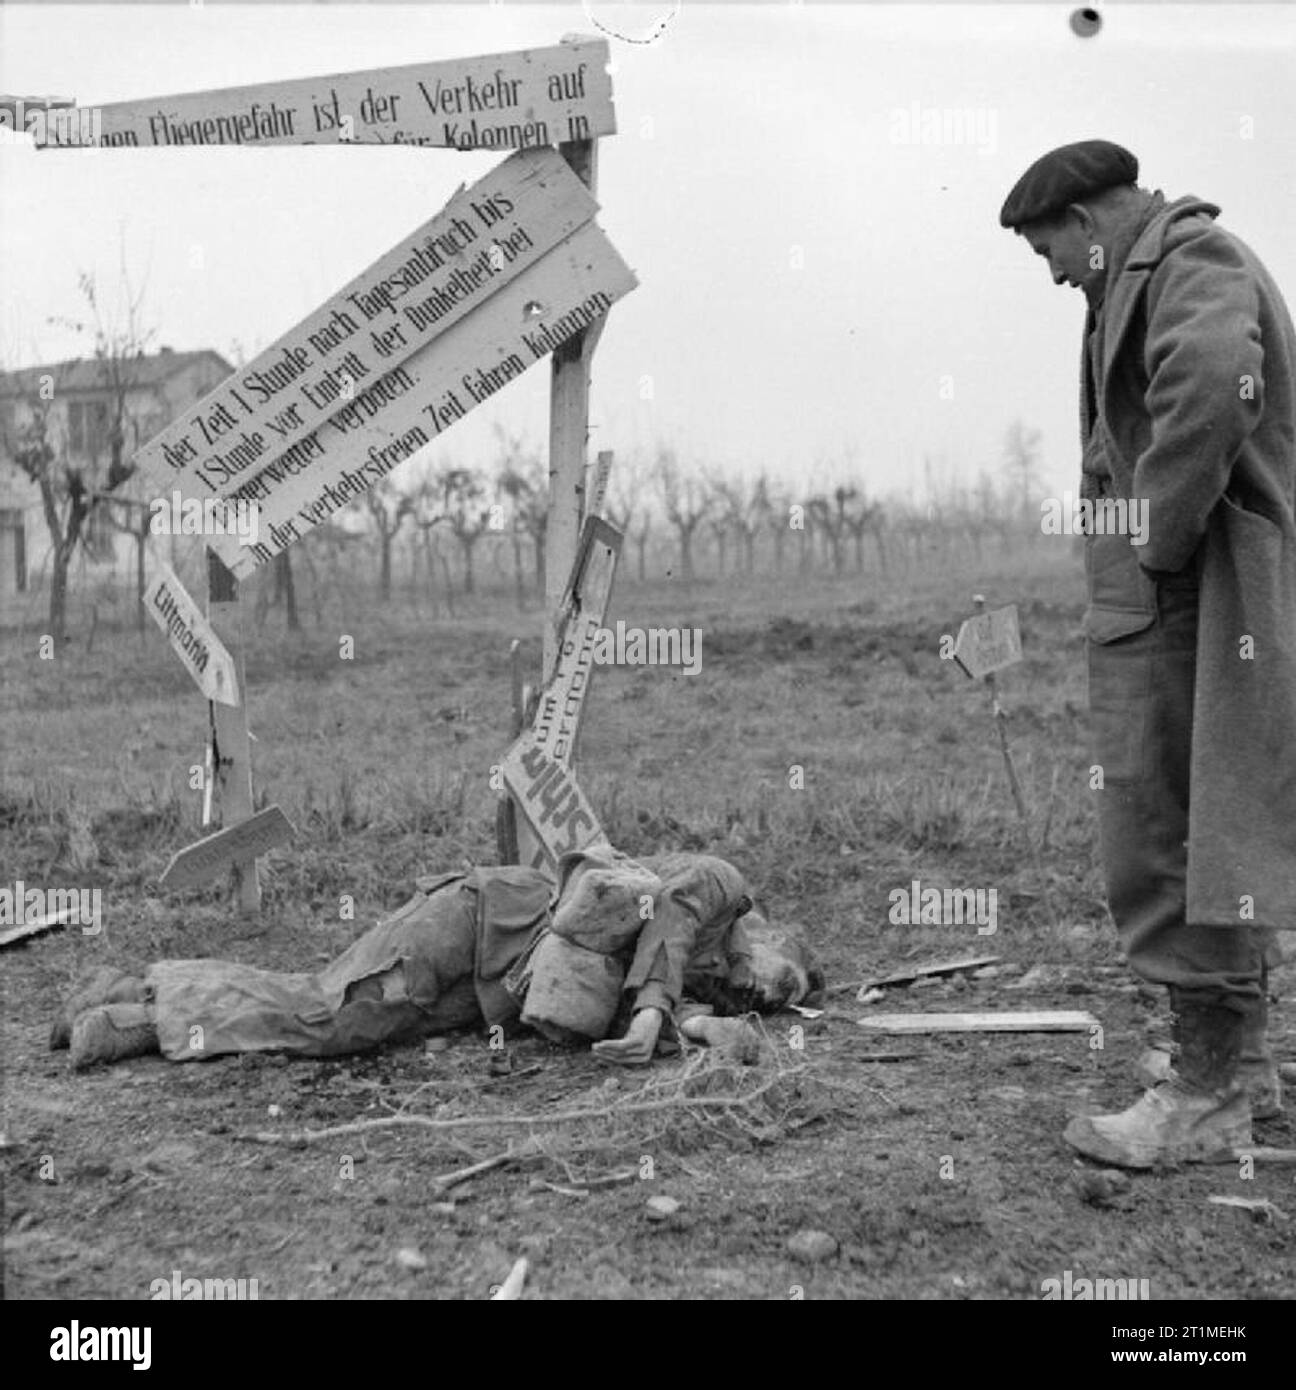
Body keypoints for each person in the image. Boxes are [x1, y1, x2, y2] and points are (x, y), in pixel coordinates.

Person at [1000, 139, 1296, 1167]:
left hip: (1190, 592)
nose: (1050, 273)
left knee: (1171, 831)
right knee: (1206, 820)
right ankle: (1239, 1069)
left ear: (1088, 224)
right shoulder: (1156, 272)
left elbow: (1217, 382)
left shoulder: (1190, 262)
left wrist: (1157, 539)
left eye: (1049, 250)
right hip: (1185, 593)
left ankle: (1207, 1095)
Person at [52, 847, 822, 1071]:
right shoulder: (720, 889)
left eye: (774, 1002)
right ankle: (136, 1019)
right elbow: (671, 914)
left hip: (494, 993)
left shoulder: (710, 983)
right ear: (772, 935)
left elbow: (642, 997)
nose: (763, 991)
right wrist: (660, 1009)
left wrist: (701, 1028)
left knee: (344, 1015)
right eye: (778, 978)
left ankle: (145, 985)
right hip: (477, 917)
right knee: (333, 1019)